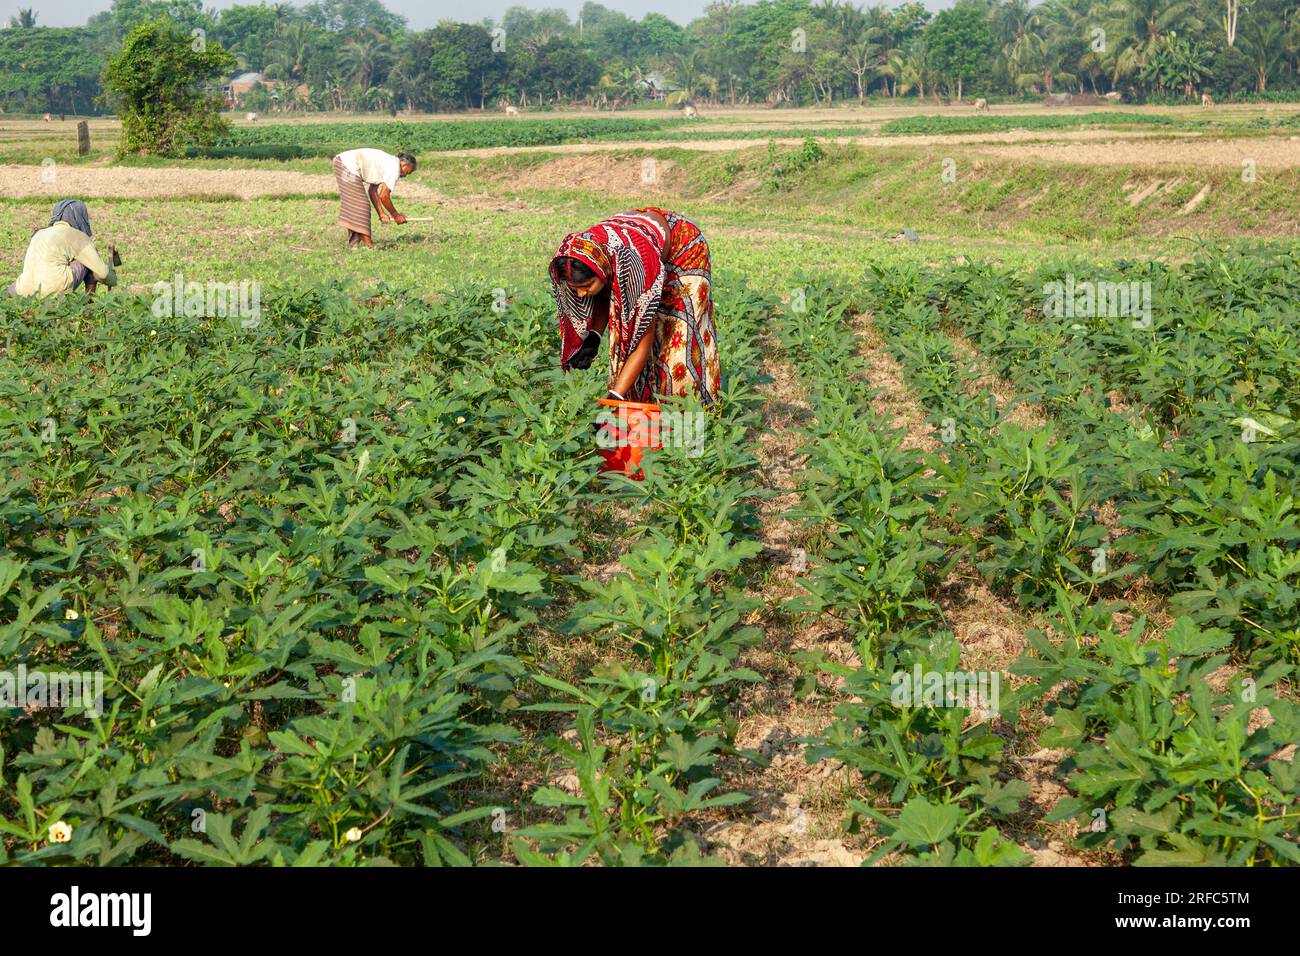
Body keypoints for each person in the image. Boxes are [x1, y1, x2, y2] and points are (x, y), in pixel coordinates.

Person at [549, 207, 721, 406]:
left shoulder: (633, 268)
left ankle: (690, 413)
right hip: (644, 239)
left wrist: (615, 398)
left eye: (586, 287)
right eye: (575, 289)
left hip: (682, 249)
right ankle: (642, 409)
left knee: (677, 341)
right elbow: (604, 291)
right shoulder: (589, 252)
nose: (580, 294)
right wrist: (593, 338)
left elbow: (641, 340)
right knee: (624, 337)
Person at [8, 199, 116, 297]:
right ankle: (89, 304)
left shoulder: (40, 233)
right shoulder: (77, 235)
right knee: (89, 263)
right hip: (51, 290)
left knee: (12, 289)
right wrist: (112, 279)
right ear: (80, 217)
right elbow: (103, 273)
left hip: (23, 289)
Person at [332, 148, 416, 247]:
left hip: (341, 162)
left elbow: (373, 191)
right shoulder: (394, 167)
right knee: (361, 206)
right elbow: (384, 196)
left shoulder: (388, 163)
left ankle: (354, 242)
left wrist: (381, 214)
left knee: (355, 205)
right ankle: (369, 245)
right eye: (410, 171)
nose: (407, 175)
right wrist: (396, 215)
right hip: (346, 164)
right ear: (404, 163)